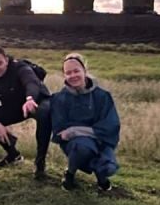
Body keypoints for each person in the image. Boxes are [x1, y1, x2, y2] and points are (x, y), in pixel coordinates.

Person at [47, 53, 120, 191]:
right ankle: (70, 174)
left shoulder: (103, 96)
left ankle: (102, 178)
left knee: (109, 167)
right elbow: (61, 132)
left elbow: (110, 127)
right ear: (64, 75)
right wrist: (84, 133)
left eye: (76, 71)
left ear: (85, 71)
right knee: (82, 148)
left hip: (101, 142)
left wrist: (75, 131)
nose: (73, 76)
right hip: (76, 144)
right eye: (68, 73)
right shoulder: (59, 99)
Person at [0, 46, 51, 179]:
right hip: (16, 106)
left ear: (6, 60)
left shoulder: (19, 67)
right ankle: (13, 155)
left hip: (36, 101)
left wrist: (30, 98)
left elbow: (31, 82)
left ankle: (40, 163)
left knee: (44, 113)